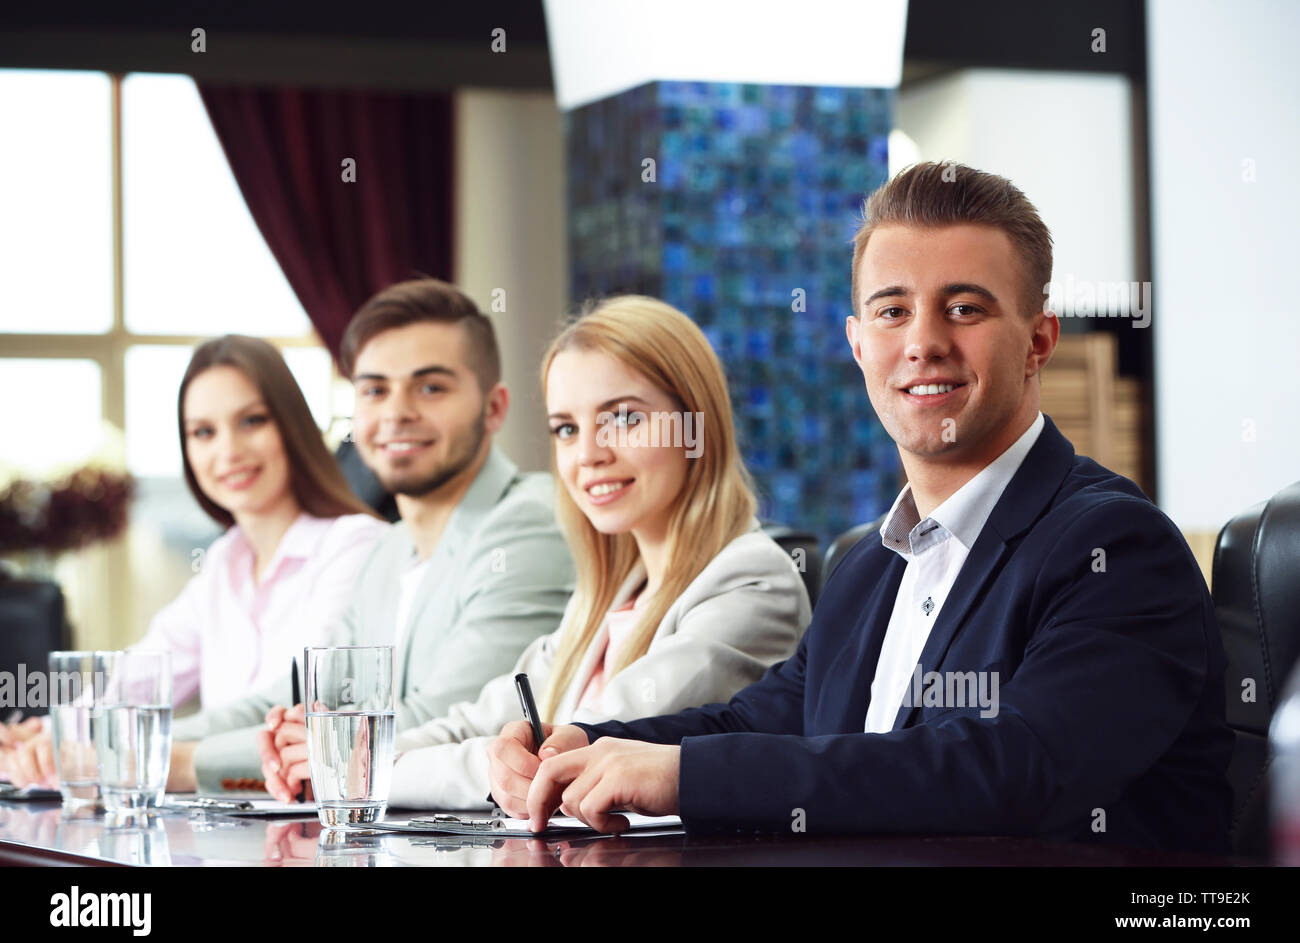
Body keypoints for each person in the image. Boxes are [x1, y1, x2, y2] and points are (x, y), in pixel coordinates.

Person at [495, 162, 1235, 854]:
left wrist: (688, 777)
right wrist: (587, 743)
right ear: (857, 344)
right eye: (892, 311)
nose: (923, 343)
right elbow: (763, 719)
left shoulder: (1114, 546)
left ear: (1039, 341)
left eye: (964, 308)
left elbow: (1016, 768)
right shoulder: (869, 563)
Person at [257, 296, 812, 808]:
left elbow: (577, 755)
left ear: (694, 426)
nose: (588, 453)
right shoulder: (606, 598)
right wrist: (339, 753)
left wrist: (363, 771)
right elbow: (479, 721)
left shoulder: (751, 581)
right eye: (566, 428)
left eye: (623, 418)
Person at [184, 278, 575, 795]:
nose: (396, 412)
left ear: (494, 408)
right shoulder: (388, 549)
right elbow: (302, 695)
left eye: (430, 388)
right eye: (374, 390)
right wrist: (136, 742)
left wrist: (187, 764)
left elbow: (441, 719)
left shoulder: (529, 520)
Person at [1, 335, 388, 789]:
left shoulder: (355, 545)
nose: (228, 451)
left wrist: (103, 743)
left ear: (293, 426)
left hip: (313, 814)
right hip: (233, 816)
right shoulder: (225, 560)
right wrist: (44, 734)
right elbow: (140, 674)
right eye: (203, 432)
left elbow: (299, 701)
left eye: (252, 421)